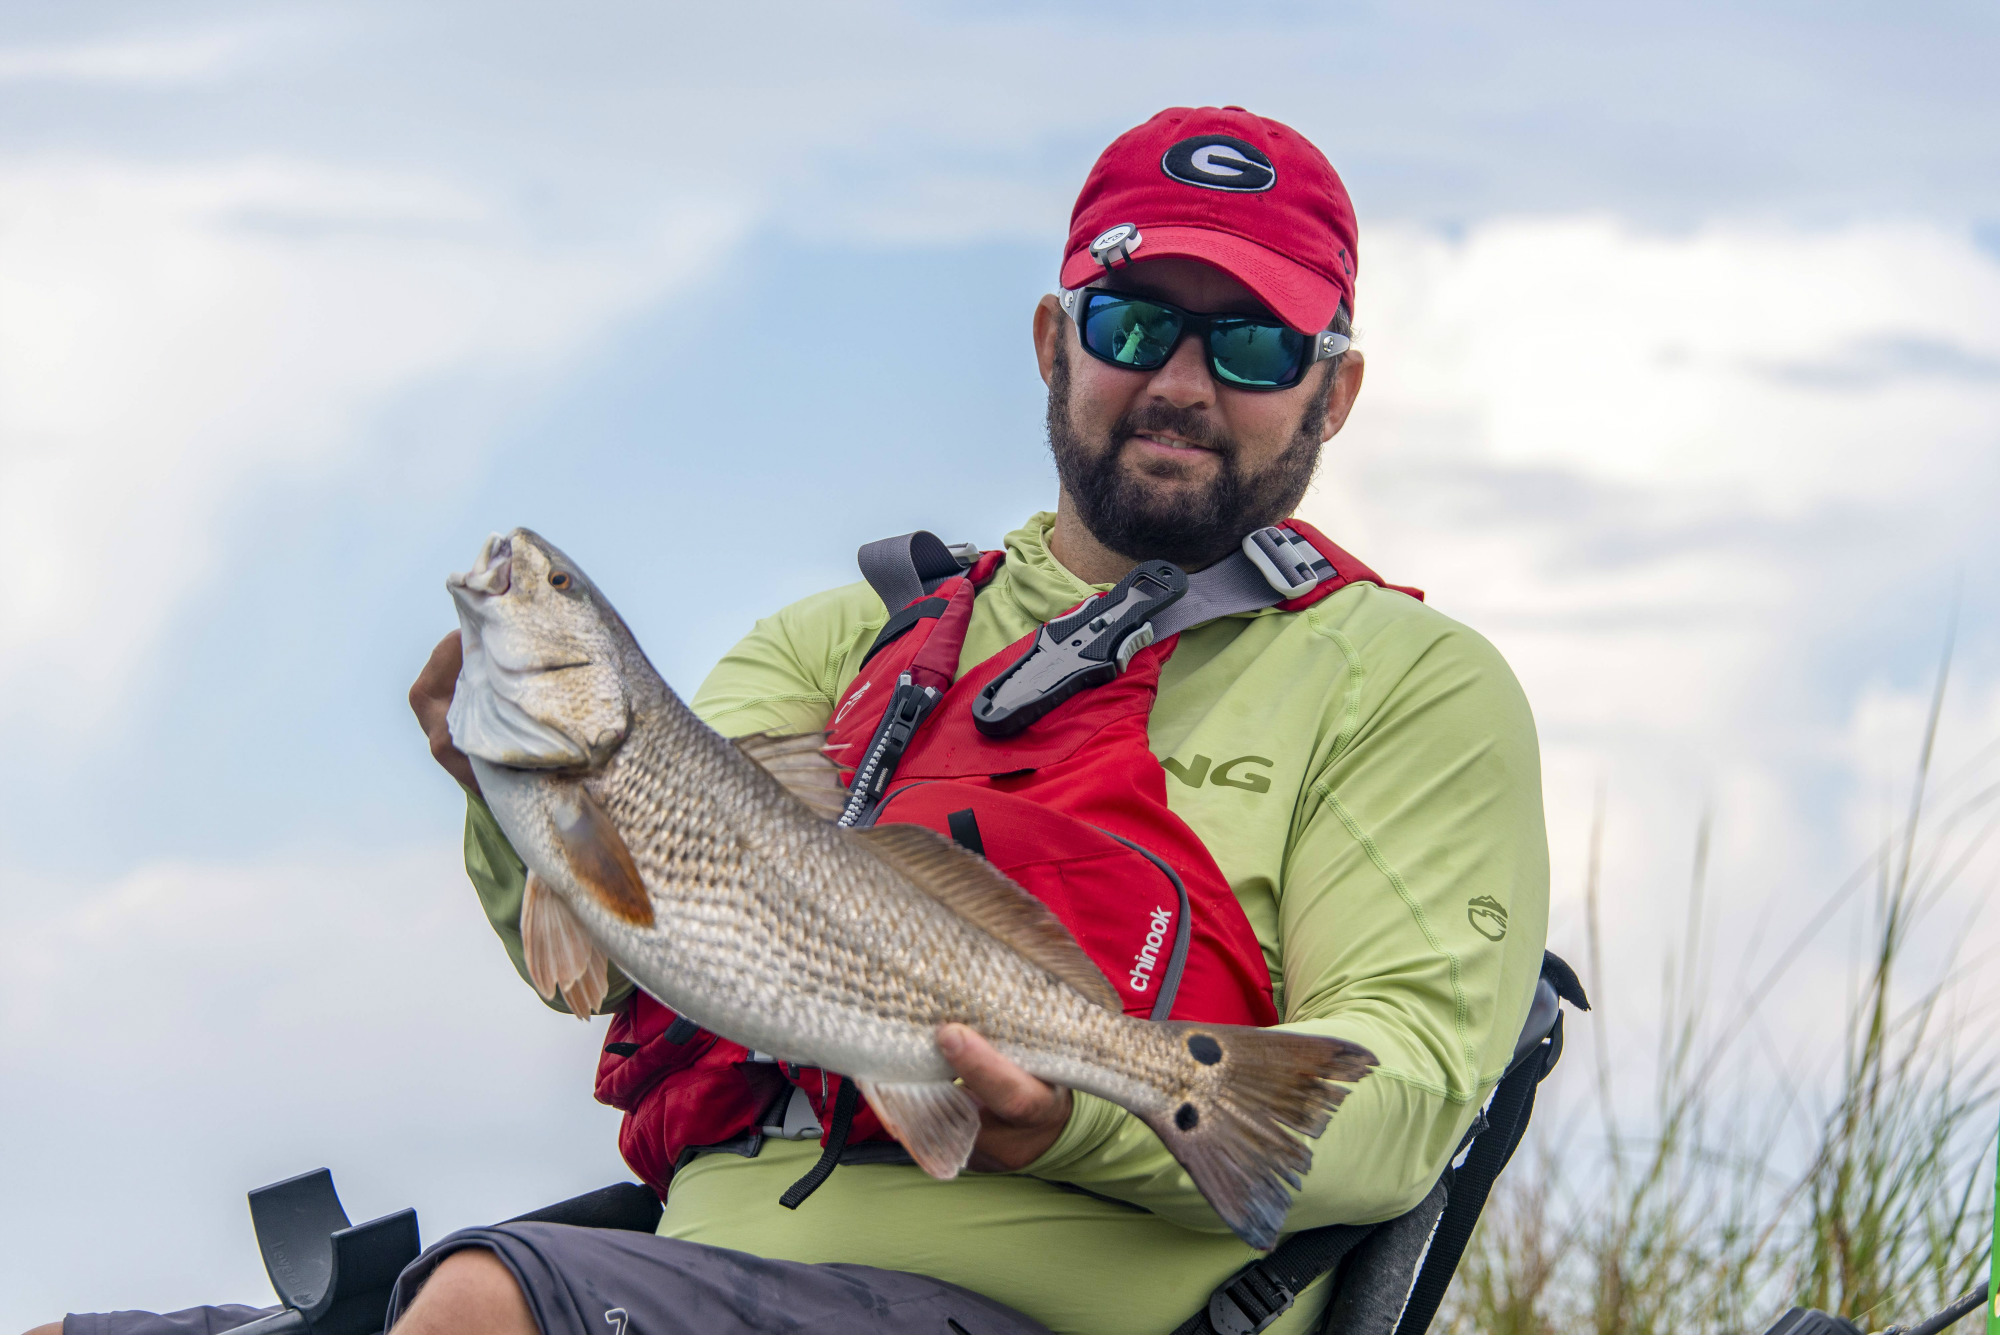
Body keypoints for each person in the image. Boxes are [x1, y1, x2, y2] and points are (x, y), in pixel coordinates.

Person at [36, 105, 1548, 1335]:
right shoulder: (840, 639)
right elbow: (623, 947)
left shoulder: (1408, 684)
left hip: (1011, 1313)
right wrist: (497, 793)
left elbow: (1401, 1090)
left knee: (487, 1309)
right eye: (1137, 320)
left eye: (1260, 346)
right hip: (697, 1272)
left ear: (1333, 396)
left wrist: (1073, 1116)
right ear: (1051, 341)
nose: (1184, 379)